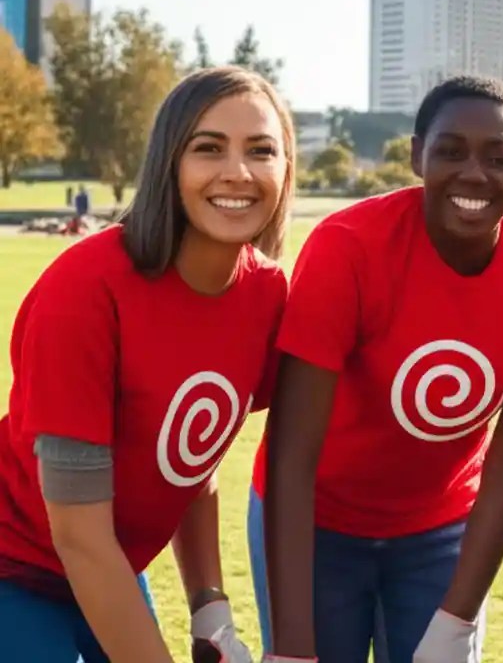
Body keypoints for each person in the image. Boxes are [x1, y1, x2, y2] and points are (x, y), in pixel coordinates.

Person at [256, 74, 503, 663]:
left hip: (438, 532)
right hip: (317, 523)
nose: (474, 173)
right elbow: (291, 453)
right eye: (451, 151)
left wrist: (457, 620)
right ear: (417, 156)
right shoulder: (349, 245)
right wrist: (294, 645)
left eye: (497, 158)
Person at [0, 66, 294, 662]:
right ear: (168, 163)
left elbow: (190, 450)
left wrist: (208, 604)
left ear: (286, 171)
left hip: (110, 559)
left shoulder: (267, 296)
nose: (238, 172)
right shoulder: (85, 289)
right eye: (208, 148)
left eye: (261, 150)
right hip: (18, 562)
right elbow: (78, 537)